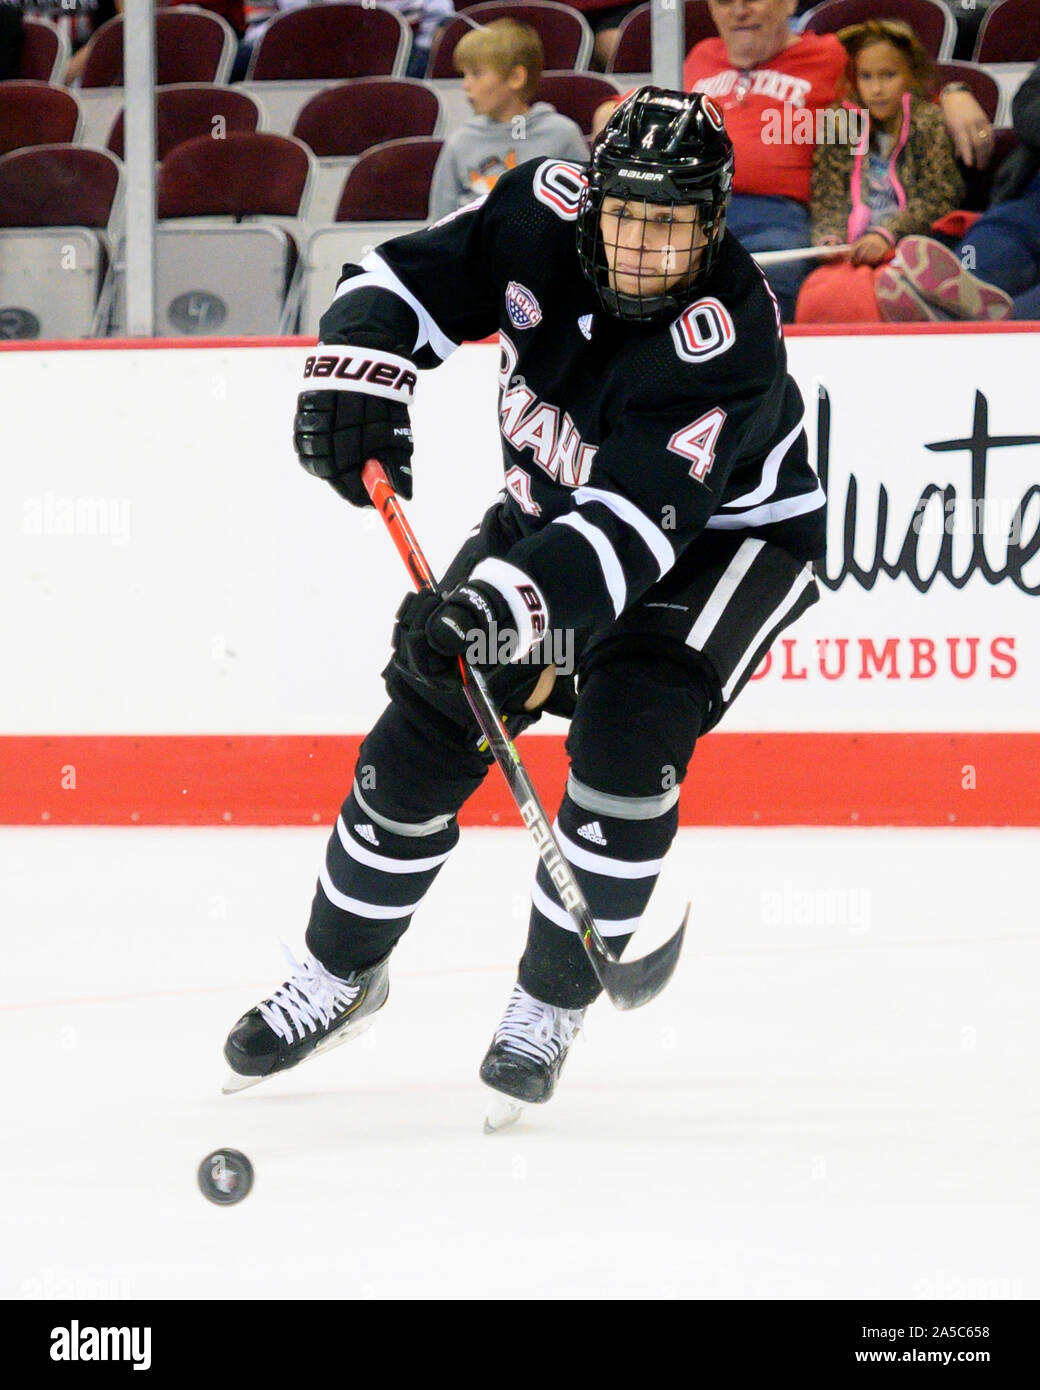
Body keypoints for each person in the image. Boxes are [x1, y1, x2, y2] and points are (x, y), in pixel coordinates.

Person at [222, 88, 826, 1128]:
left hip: (721, 542)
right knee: (430, 711)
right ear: (589, 198)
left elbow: (633, 532)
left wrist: (505, 608)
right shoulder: (534, 212)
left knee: (628, 735)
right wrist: (357, 371)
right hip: (552, 513)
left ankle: (548, 999)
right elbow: (398, 281)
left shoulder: (726, 338)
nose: (640, 247)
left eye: (669, 225)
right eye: (625, 216)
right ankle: (338, 971)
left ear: (713, 224)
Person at [593, 1, 999, 321]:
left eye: (752, 0)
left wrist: (953, 93)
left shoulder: (830, 55)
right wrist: (608, 111)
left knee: (758, 288)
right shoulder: (702, 55)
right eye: (723, 1)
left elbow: (897, 91)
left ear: (788, 3)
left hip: (777, 215)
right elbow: (649, 106)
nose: (739, 10)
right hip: (689, 208)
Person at [797, 20, 964, 324]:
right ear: (854, 78)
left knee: (908, 272)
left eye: (888, 75)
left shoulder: (927, 122)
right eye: (866, 76)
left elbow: (939, 195)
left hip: (910, 240)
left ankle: (938, 307)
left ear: (910, 75)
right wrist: (830, 236)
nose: (876, 88)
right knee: (821, 294)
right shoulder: (839, 123)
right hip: (854, 249)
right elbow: (827, 193)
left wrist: (888, 234)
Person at [874, 60, 1040, 323]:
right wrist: (952, 92)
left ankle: (974, 325)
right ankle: (945, 302)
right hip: (1026, 203)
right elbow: (1028, 102)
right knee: (979, 256)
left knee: (1012, 316)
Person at [428, 18, 587, 221]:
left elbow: (585, 211)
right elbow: (439, 223)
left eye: (477, 74)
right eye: (464, 74)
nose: (466, 85)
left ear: (516, 78)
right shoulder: (460, 141)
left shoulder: (562, 134)